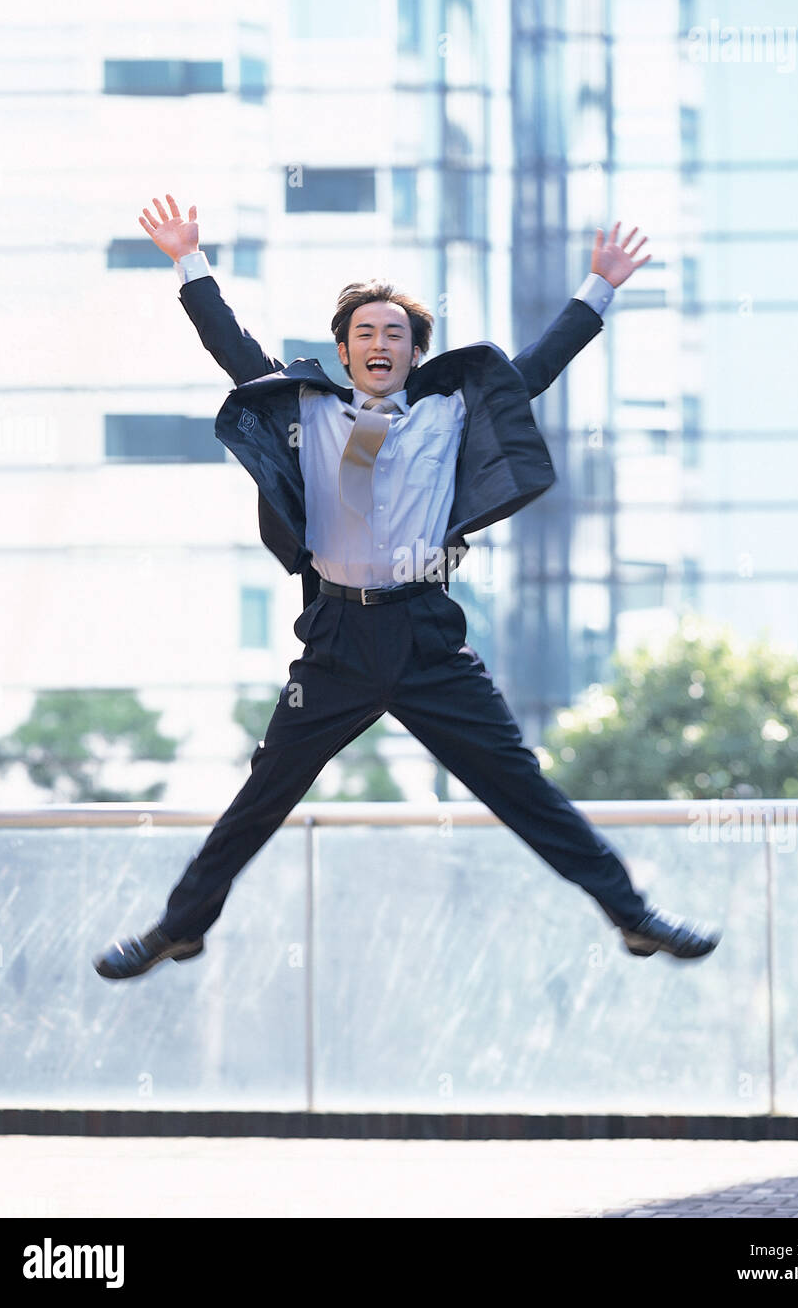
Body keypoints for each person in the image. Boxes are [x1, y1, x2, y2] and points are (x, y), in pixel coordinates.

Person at [93, 193, 721, 980]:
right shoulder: (305, 410)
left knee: (519, 786)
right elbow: (233, 348)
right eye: (365, 333)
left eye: (395, 333)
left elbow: (534, 368)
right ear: (345, 351)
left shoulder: (448, 414)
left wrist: (598, 287)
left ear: (415, 352)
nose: (379, 343)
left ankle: (631, 916)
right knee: (265, 792)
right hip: (336, 642)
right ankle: (178, 929)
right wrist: (190, 260)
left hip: (425, 634)